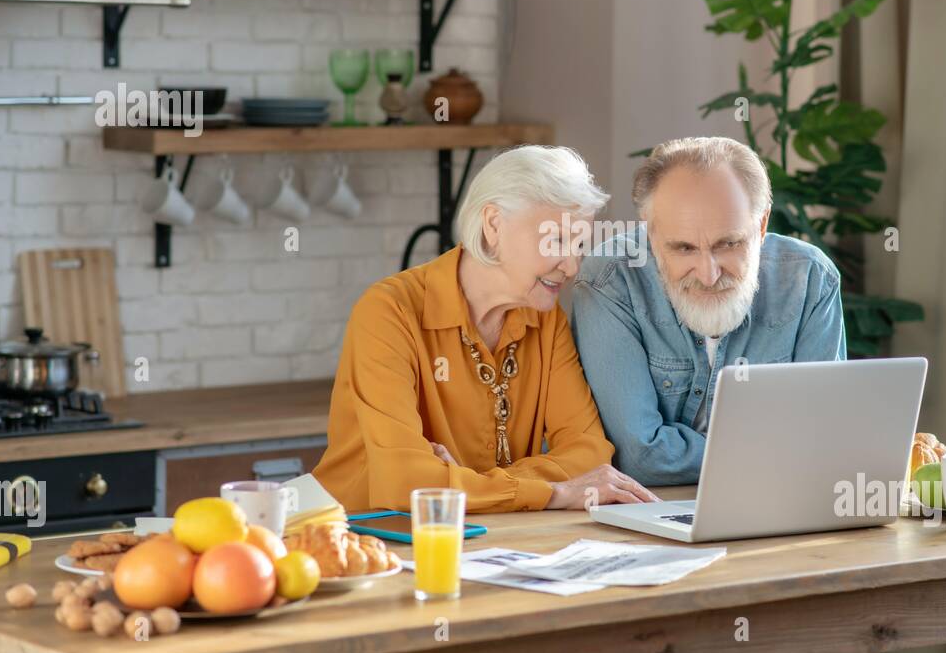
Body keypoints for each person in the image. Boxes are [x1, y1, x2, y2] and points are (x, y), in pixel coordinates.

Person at [315, 145, 660, 513]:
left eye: (578, 245)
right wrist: (555, 492)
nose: (573, 266)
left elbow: (589, 451)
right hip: (367, 543)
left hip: (486, 537)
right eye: (556, 240)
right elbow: (406, 487)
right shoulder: (389, 312)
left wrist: (464, 483)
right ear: (493, 225)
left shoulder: (544, 317)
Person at [570, 136, 847, 486]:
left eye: (727, 244)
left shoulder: (810, 279)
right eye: (684, 248)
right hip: (645, 515)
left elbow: (821, 440)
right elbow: (638, 457)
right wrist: (778, 456)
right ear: (651, 236)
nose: (708, 274)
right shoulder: (610, 280)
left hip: (775, 505)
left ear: (761, 227)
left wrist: (799, 455)